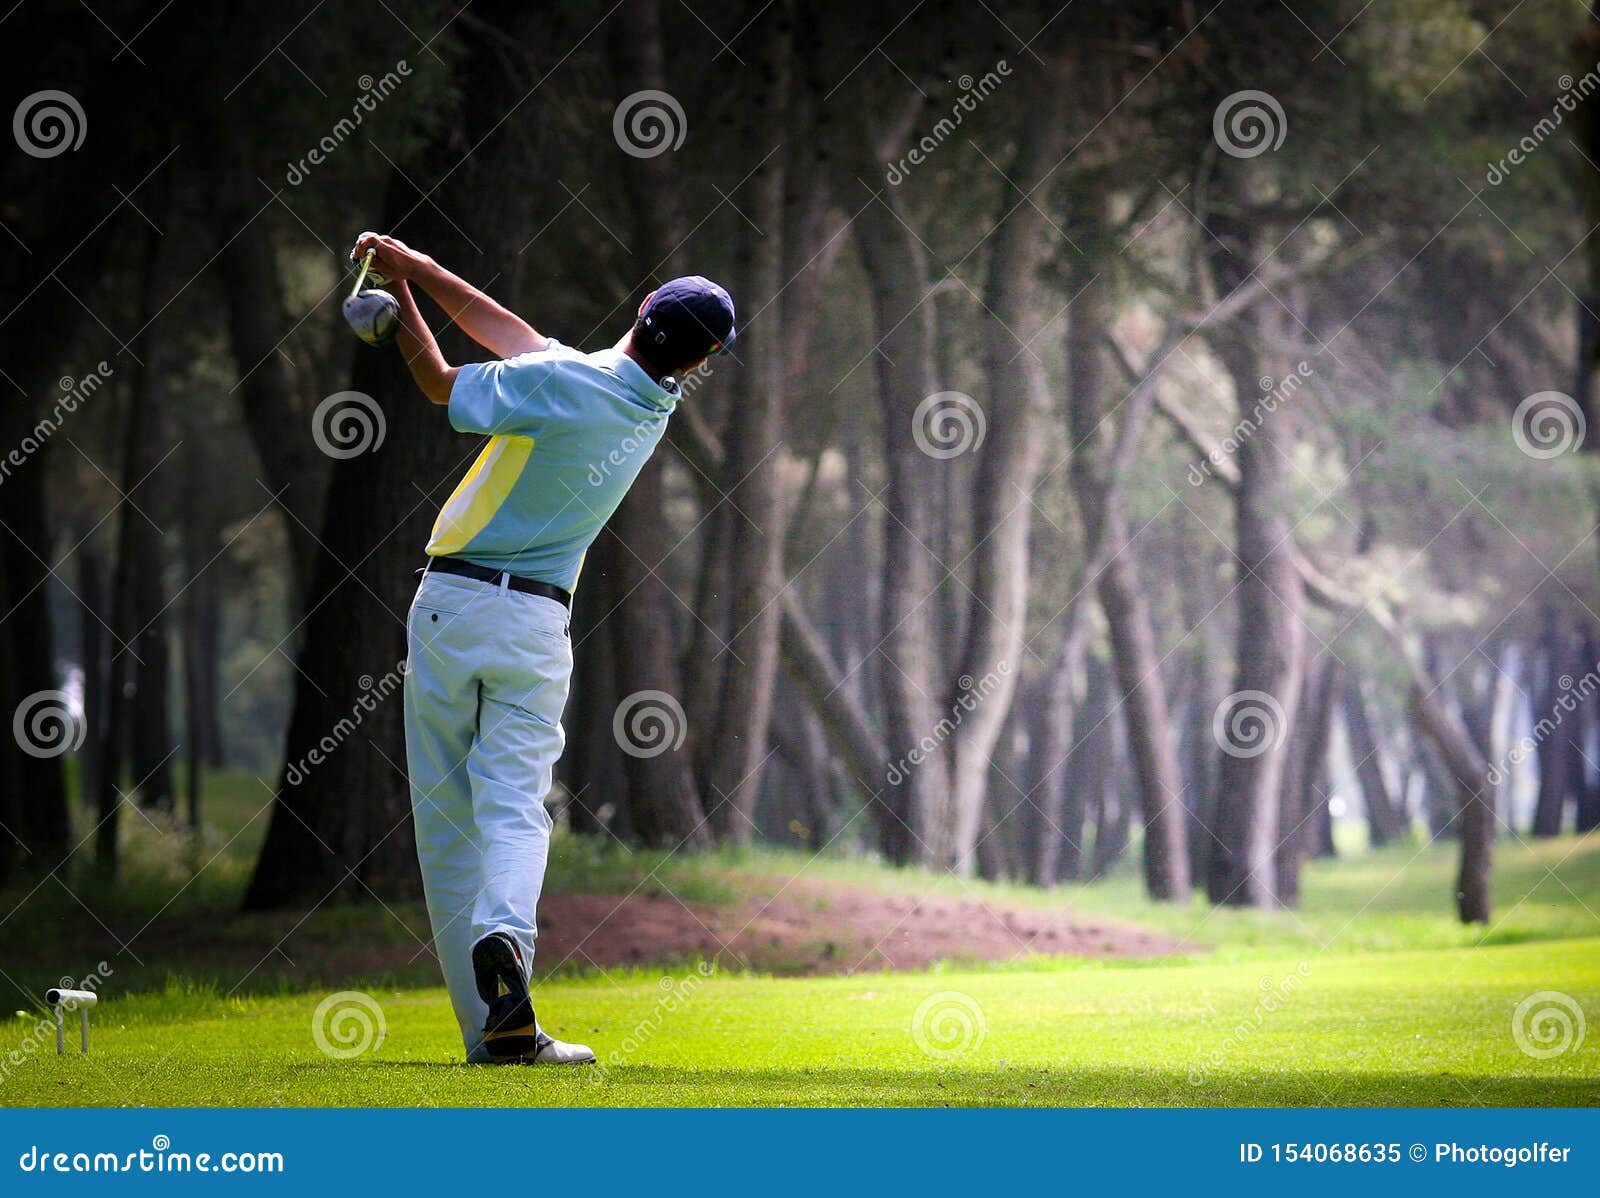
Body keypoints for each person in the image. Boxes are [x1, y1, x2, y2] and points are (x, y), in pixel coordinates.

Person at [351, 232, 735, 1065]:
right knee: (515, 806)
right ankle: (506, 948)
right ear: (697, 362)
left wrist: (399, 306)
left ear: (641, 312)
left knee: (447, 823)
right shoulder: (646, 404)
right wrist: (415, 267)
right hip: (536, 625)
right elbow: (513, 335)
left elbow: (442, 383)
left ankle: (488, 1032)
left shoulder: (568, 378)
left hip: (450, 605)